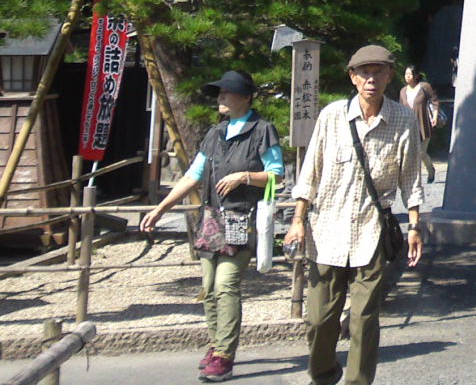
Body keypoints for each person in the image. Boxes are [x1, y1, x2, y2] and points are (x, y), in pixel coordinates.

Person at [286, 45, 424, 385]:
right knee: (319, 319)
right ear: (353, 77)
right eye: (364, 72)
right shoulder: (332, 116)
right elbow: (310, 171)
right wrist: (298, 219)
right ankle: (324, 374)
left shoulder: (403, 119)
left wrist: (415, 226)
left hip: (371, 231)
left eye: (378, 72)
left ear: (390, 76)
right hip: (327, 230)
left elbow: (410, 178)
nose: (371, 79)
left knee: (363, 318)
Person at [141, 69, 283, 383]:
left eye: (227, 92)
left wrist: (244, 177)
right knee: (208, 288)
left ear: (246, 97)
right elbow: (193, 175)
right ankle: (216, 344)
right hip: (212, 220)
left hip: (242, 219)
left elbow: (276, 174)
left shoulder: (263, 131)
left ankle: (224, 356)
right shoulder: (215, 133)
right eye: (219, 92)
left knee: (226, 285)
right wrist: (160, 209)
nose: (221, 97)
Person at [399, 65, 439, 184]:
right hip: (408, 127)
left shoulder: (424, 87)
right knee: (410, 154)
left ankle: (430, 170)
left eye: (410, 74)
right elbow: (400, 108)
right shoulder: (402, 91)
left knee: (421, 153)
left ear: (416, 75)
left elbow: (434, 100)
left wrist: (435, 116)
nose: (407, 76)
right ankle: (414, 179)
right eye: (406, 74)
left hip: (423, 124)